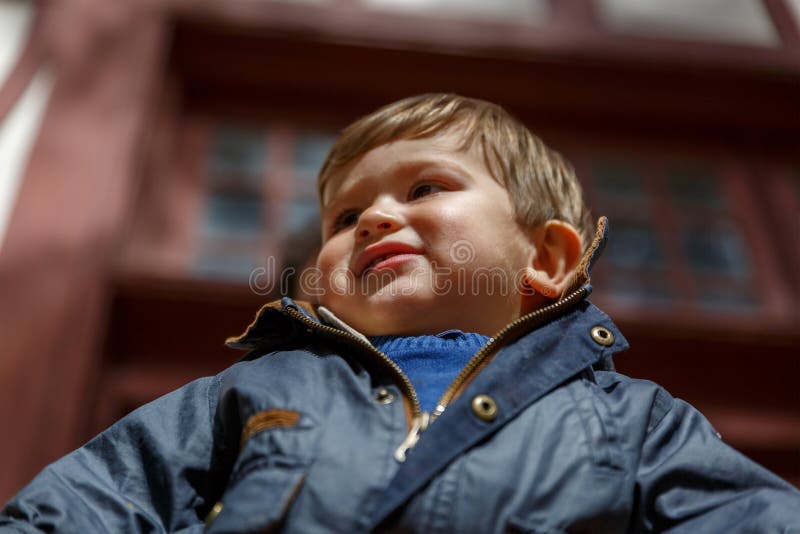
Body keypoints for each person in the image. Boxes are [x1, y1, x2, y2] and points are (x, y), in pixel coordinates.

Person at [2, 94, 798, 532]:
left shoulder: (631, 420)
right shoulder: (244, 396)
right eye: (345, 220)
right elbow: (86, 506)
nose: (374, 220)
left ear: (547, 262)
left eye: (425, 189)